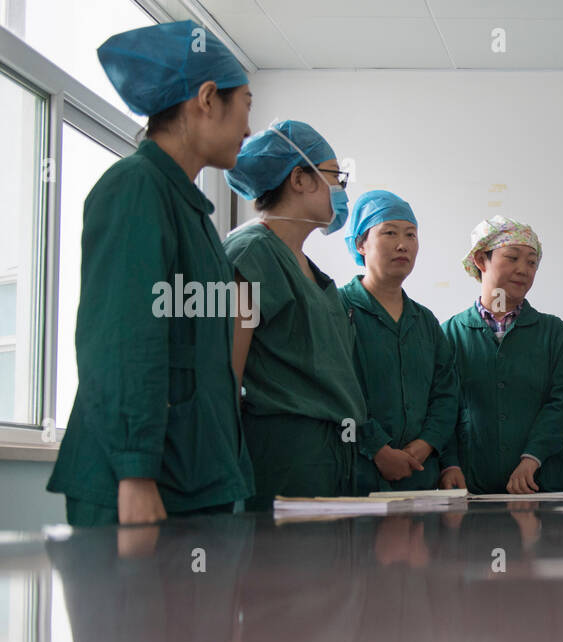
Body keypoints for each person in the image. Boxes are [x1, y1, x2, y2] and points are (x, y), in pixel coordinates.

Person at [47, 20, 254, 526]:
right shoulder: (135, 189)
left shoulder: (194, 213)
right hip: (141, 483)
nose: (249, 129)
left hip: (191, 476)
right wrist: (135, 477)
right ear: (207, 98)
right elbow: (122, 341)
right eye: (245, 105)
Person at [223, 120, 367, 510]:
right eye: (335, 177)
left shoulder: (311, 272)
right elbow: (224, 377)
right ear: (300, 178)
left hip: (331, 460)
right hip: (283, 459)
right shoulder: (250, 254)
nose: (341, 190)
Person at [438, 216, 563, 494]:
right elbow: (442, 409)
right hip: (472, 488)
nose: (523, 270)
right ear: (481, 260)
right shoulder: (449, 335)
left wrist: (532, 458)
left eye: (531, 262)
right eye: (512, 257)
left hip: (543, 484)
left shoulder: (554, 333)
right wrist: (450, 464)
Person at [340, 190, 458, 494]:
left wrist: (426, 443)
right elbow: (333, 390)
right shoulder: (337, 309)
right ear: (360, 244)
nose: (402, 244)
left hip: (420, 476)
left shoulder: (426, 322)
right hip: (355, 475)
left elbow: (446, 394)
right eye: (389, 233)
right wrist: (377, 448)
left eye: (411, 234)